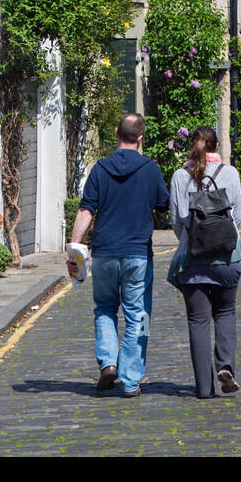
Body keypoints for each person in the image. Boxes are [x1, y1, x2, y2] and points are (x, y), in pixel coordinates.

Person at [67, 113, 170, 398]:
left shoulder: (100, 169)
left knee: (104, 308)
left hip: (104, 253)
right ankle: (130, 379)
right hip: (138, 254)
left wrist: (74, 247)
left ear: (116, 133)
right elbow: (163, 205)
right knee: (139, 315)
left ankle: (108, 363)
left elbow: (86, 209)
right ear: (140, 137)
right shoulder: (150, 169)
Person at [168, 126, 241, 399]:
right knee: (225, 313)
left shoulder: (180, 176)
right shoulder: (230, 173)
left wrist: (193, 241)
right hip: (228, 257)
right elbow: (237, 220)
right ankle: (225, 367)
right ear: (216, 146)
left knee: (198, 320)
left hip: (193, 260)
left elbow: (177, 222)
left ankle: (203, 388)